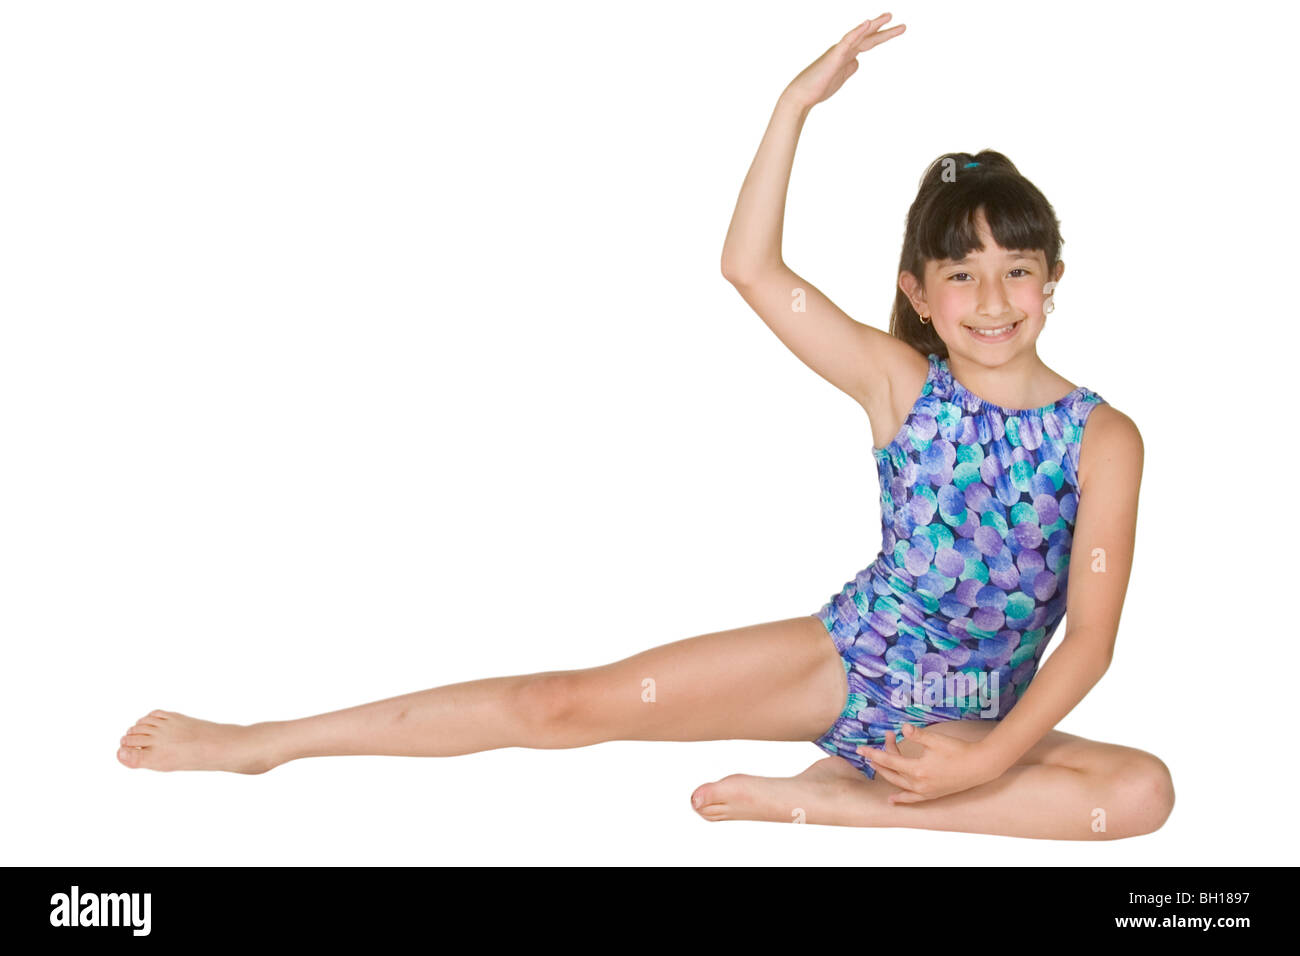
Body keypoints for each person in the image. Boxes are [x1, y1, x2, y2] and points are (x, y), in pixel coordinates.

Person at [116, 13, 1172, 840]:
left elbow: (1088, 639)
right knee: (562, 701)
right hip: (849, 661)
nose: (992, 301)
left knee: (1142, 794)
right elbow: (749, 269)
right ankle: (267, 740)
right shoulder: (902, 383)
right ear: (920, 292)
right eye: (962, 275)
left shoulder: (1100, 435)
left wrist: (987, 757)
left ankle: (840, 800)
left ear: (1052, 281)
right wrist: (795, 102)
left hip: (980, 711)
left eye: (1016, 271)